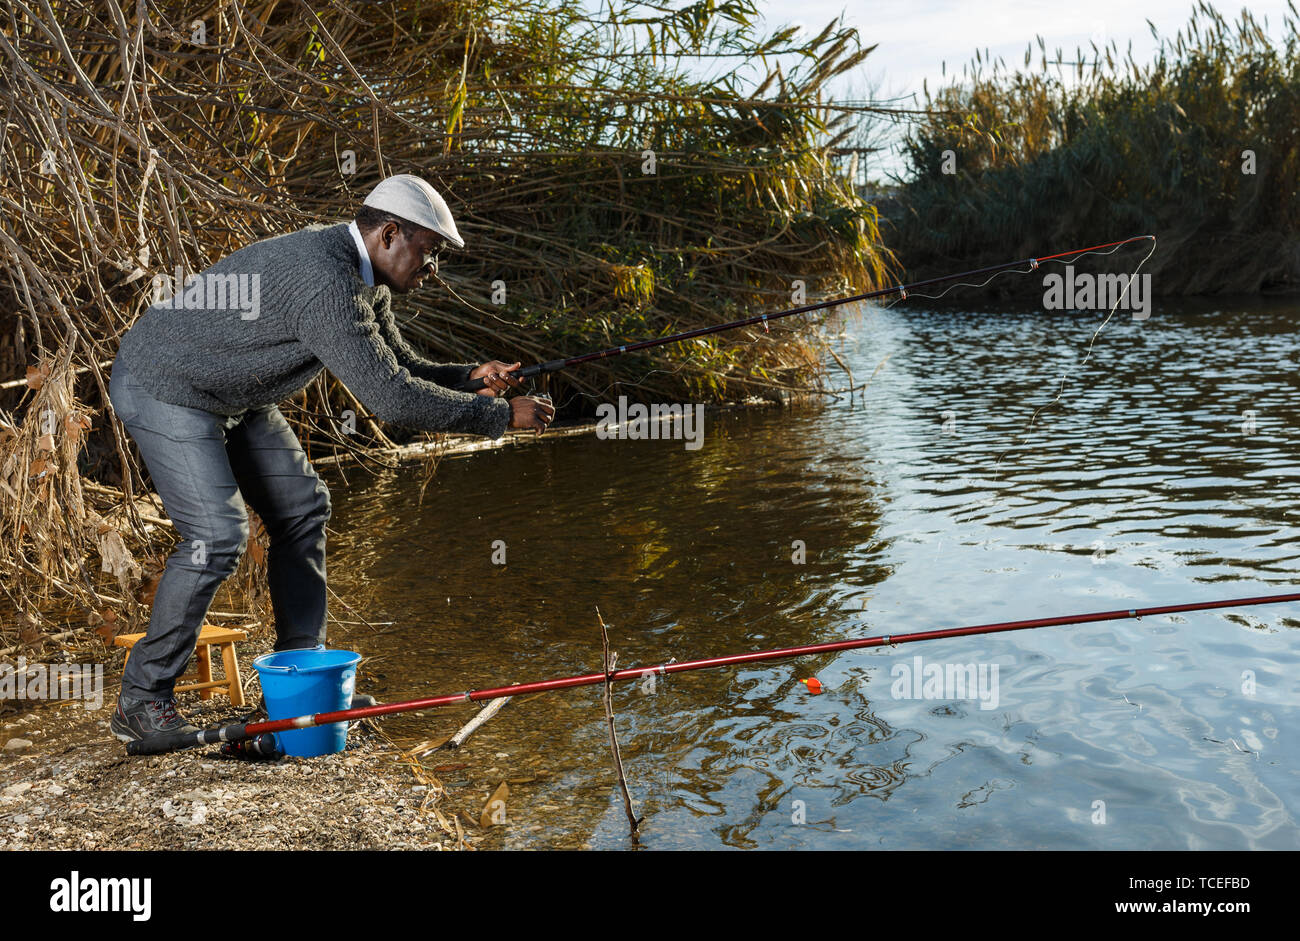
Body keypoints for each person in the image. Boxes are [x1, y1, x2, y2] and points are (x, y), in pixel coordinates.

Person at [107, 174, 554, 742]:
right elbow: (390, 398)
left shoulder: (360, 274)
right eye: (430, 250)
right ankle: (140, 704)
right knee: (216, 536)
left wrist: (469, 379)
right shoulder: (327, 282)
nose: (433, 266)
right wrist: (498, 416)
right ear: (391, 234)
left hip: (231, 392)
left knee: (302, 506)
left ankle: (301, 678)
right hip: (164, 384)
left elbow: (399, 366)